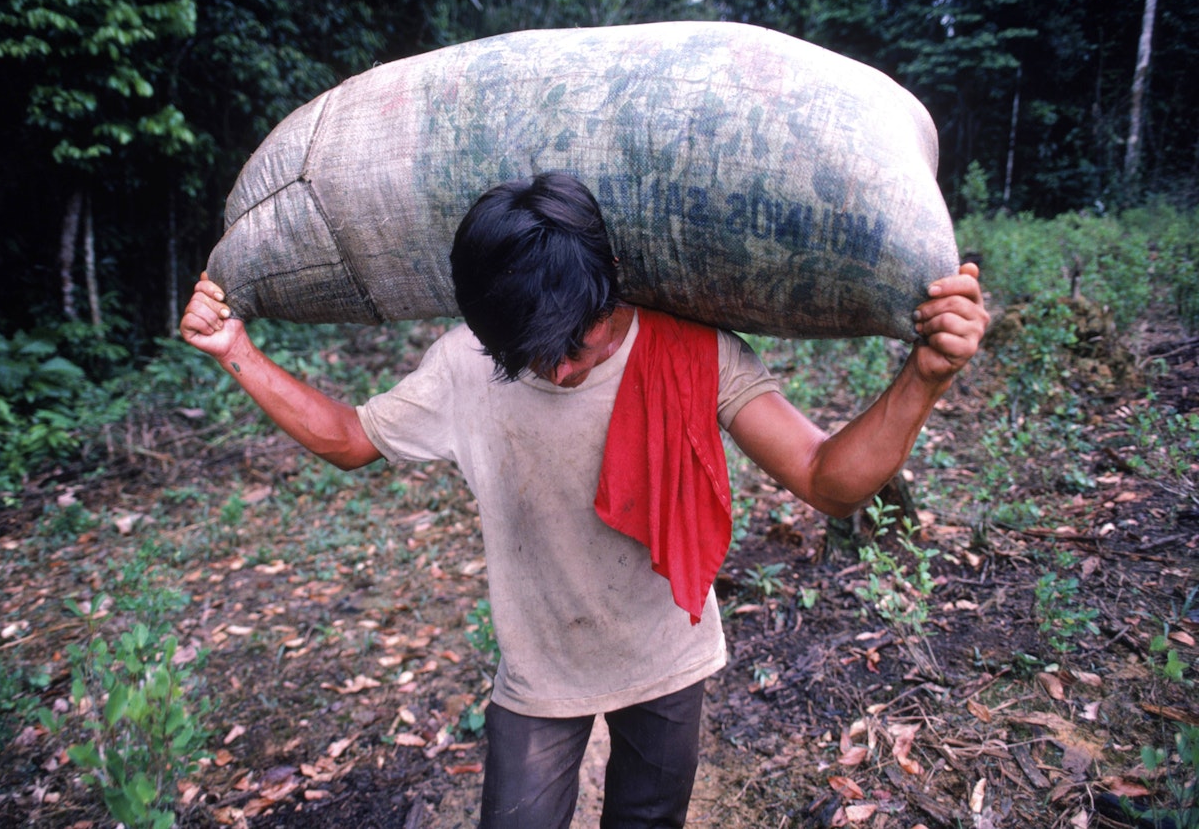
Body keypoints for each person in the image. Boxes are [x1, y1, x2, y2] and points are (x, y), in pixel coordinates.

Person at [180, 171, 988, 828]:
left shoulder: (692, 350)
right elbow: (349, 438)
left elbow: (825, 480)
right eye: (533, 356)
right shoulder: (465, 364)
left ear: (611, 288)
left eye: (582, 340)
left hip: (669, 657)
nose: (562, 370)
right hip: (539, 672)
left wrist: (923, 377)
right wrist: (235, 350)